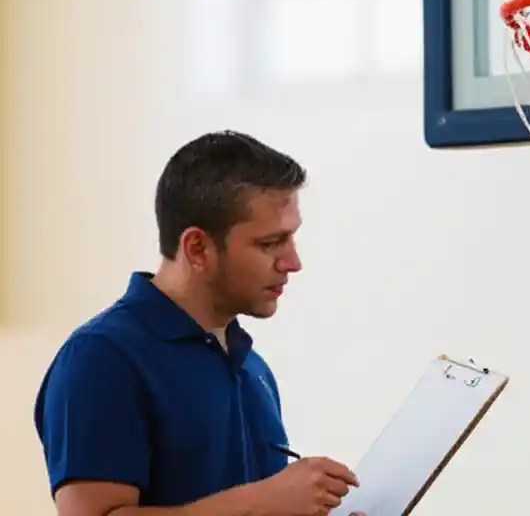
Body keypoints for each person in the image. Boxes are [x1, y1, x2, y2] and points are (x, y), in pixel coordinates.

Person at [34, 130, 365, 516]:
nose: (293, 262)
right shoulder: (101, 357)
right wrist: (263, 501)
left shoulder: (250, 366)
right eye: (270, 243)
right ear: (197, 248)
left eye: (291, 238)